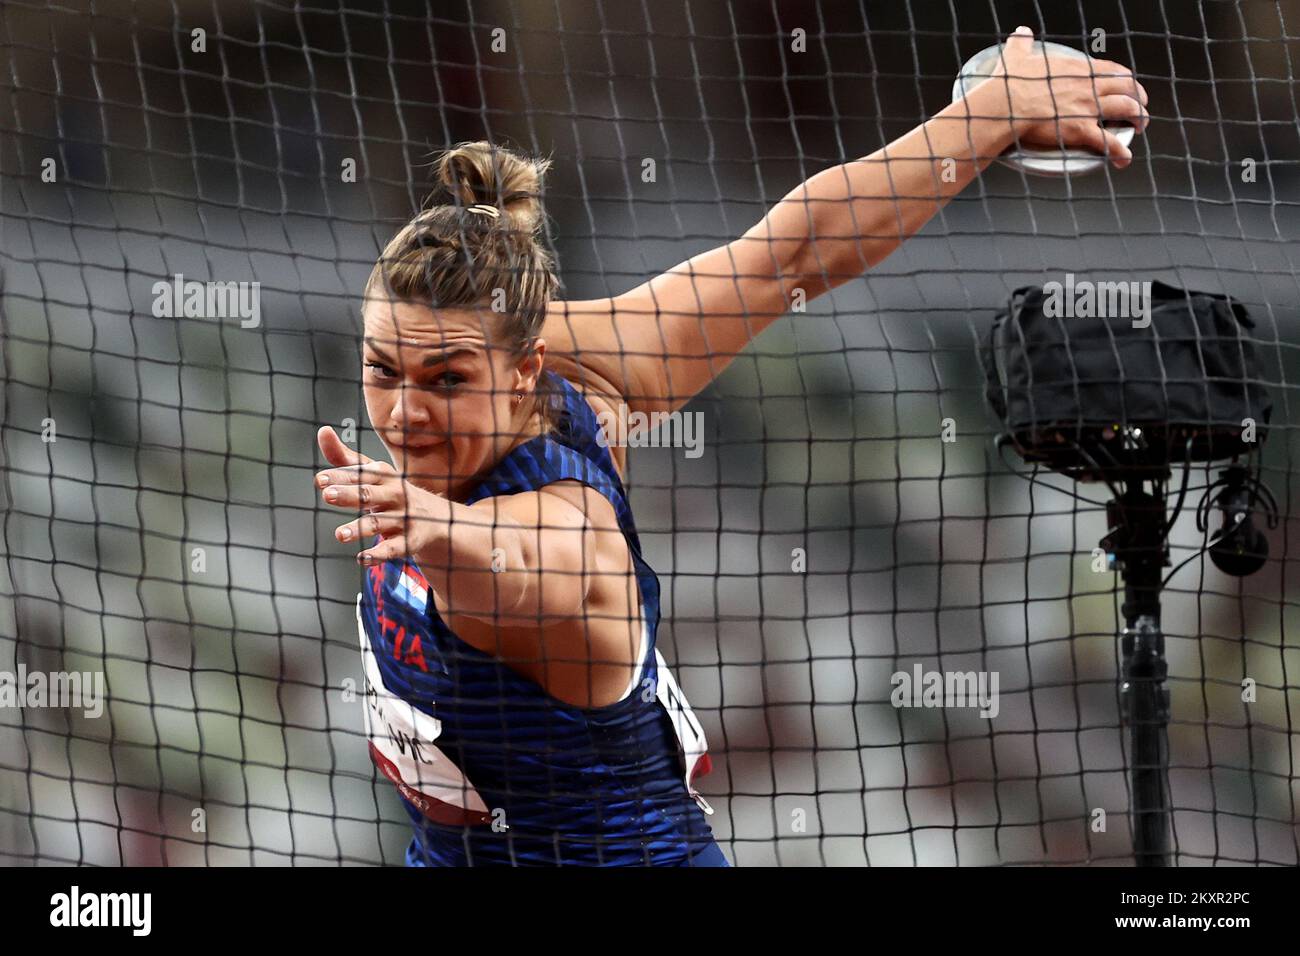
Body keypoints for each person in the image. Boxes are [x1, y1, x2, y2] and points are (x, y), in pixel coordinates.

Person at [315, 27, 1149, 866]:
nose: (405, 412)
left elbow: (526, 567)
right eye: (382, 370)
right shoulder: (558, 350)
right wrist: (988, 112)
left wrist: (435, 526)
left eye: (447, 381)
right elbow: (788, 253)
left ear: (526, 369)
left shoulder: (574, 492)